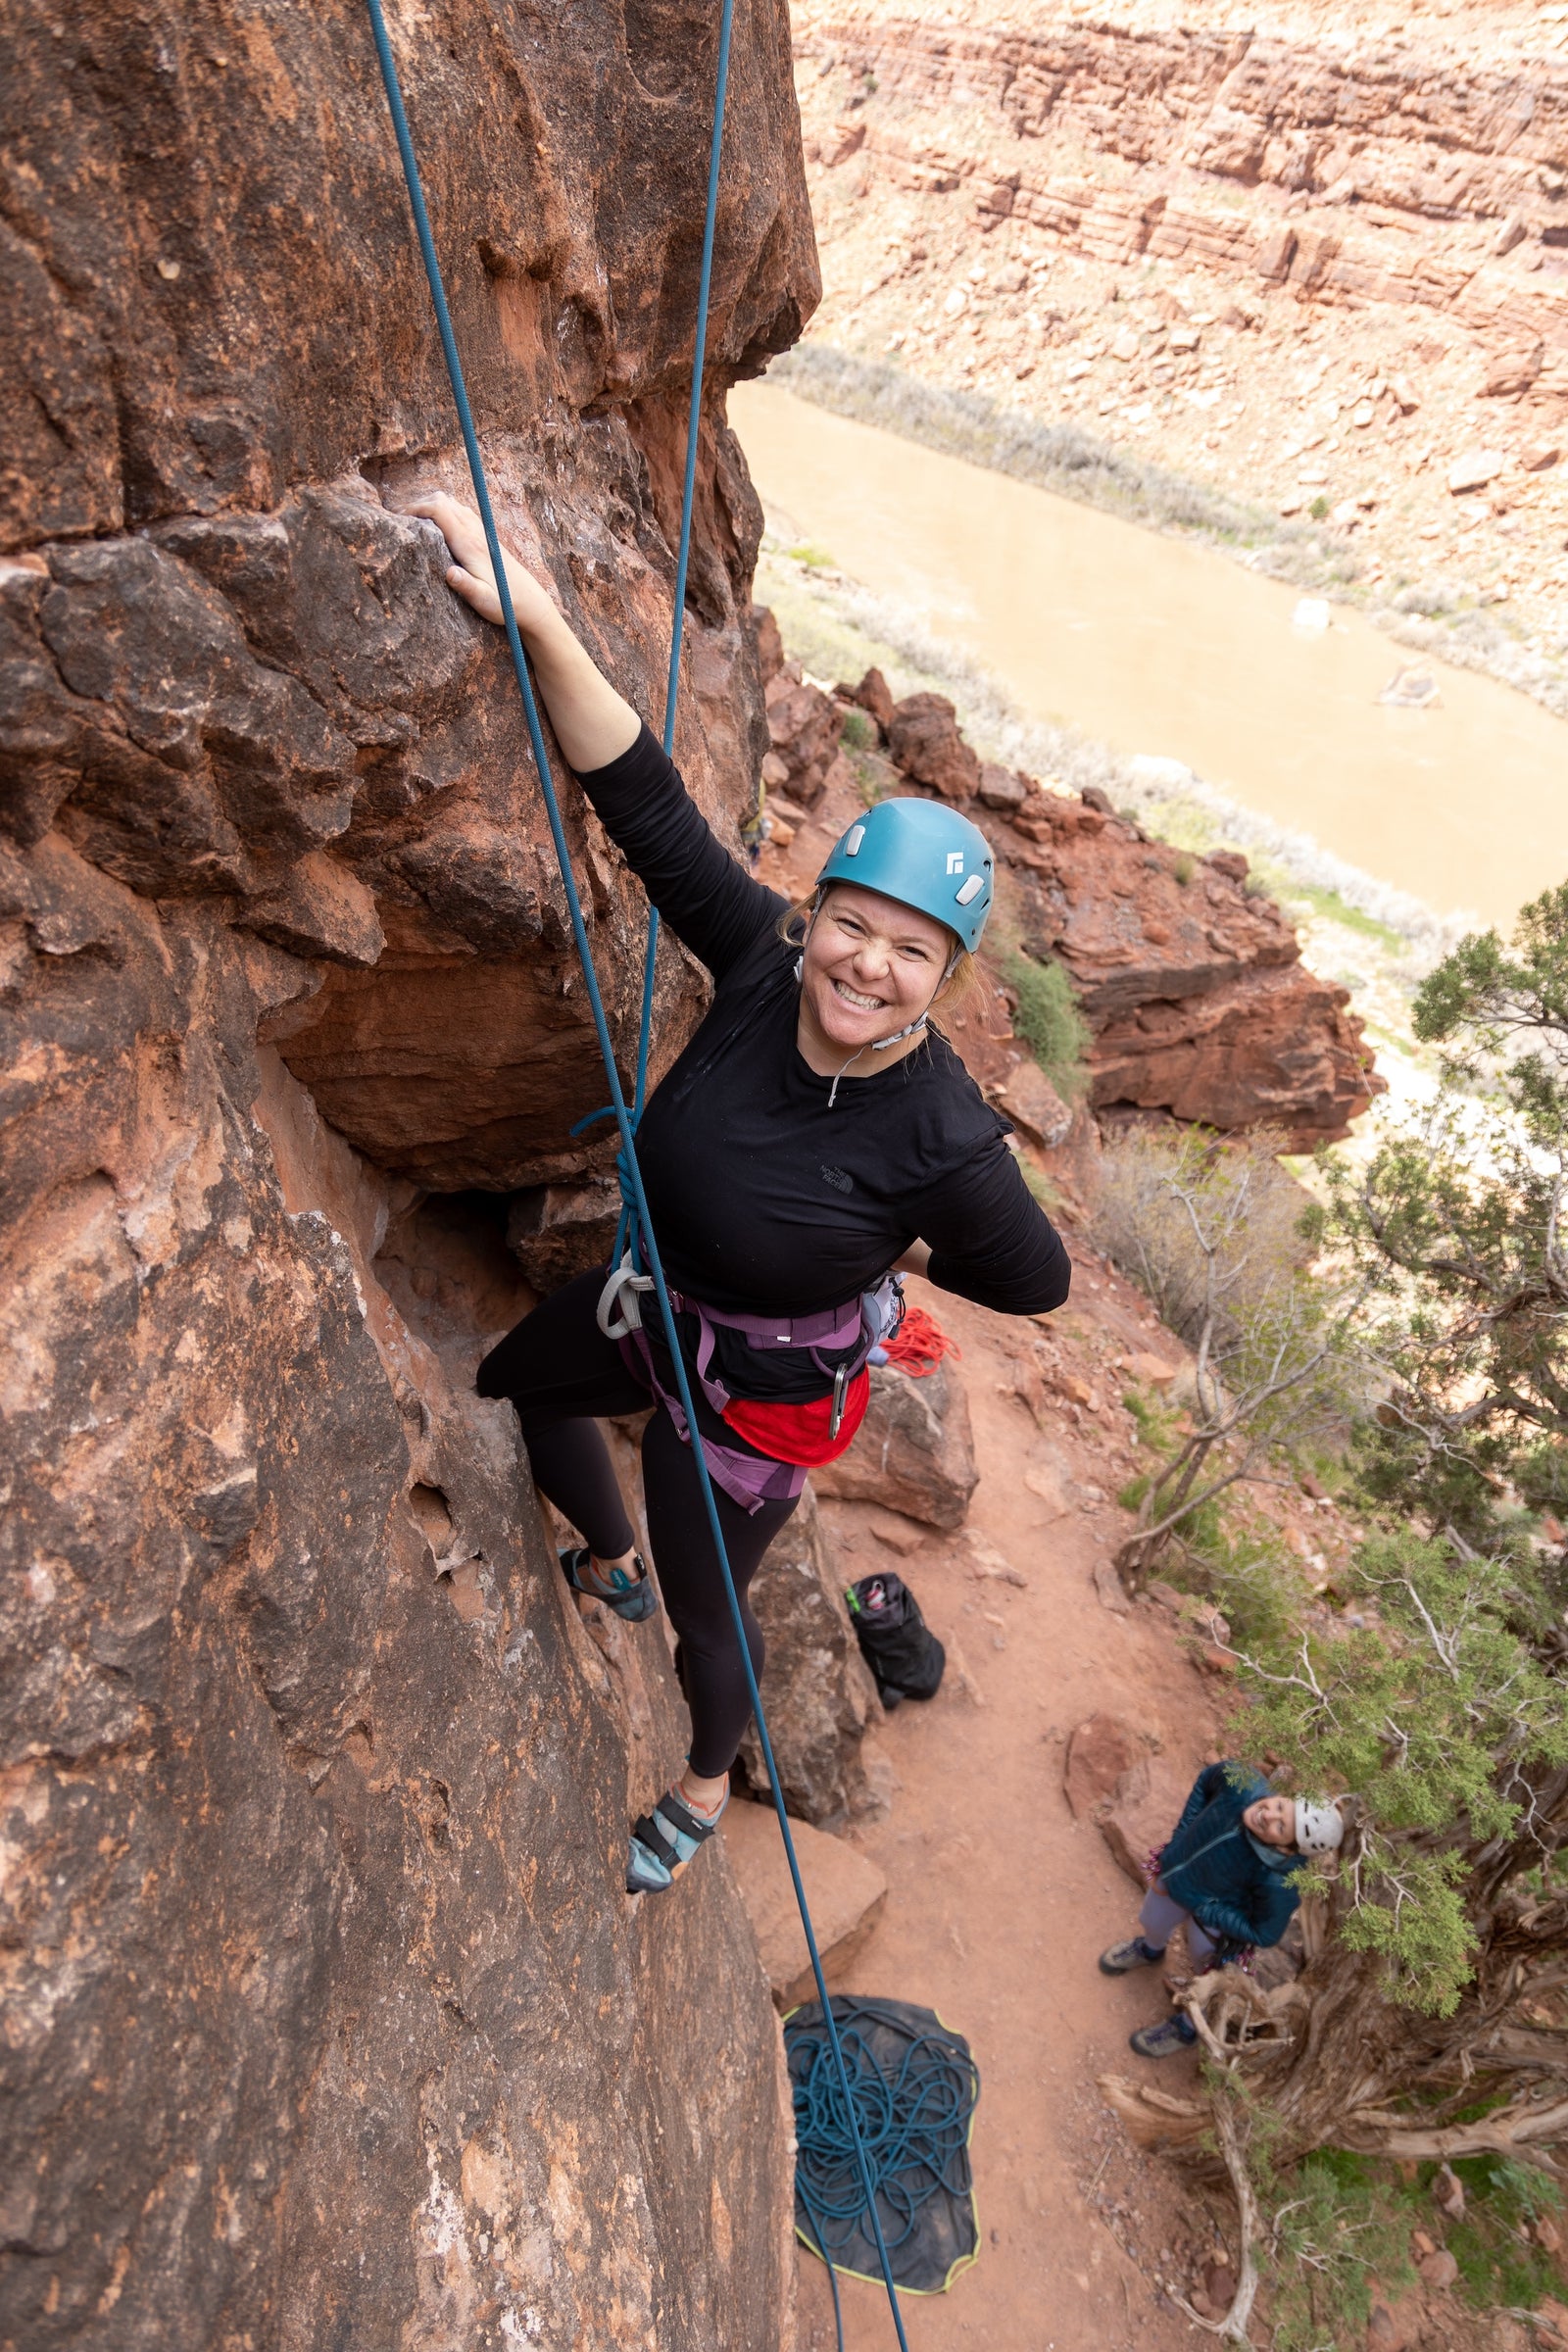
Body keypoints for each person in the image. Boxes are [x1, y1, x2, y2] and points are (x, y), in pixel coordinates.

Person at [412, 494, 1072, 1896]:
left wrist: (877, 1259)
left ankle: (707, 1783)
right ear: (818, 913)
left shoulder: (944, 1133)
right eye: (854, 924)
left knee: (710, 1626)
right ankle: (605, 1552)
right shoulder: (767, 963)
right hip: (654, 1307)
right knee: (524, 1381)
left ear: (945, 977)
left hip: (756, 1400)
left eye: (912, 952)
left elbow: (1034, 1278)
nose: (867, 966)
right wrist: (538, 618)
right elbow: (643, 800)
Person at [1100, 1761, 1345, 2057]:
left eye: (1281, 1827)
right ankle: (1150, 1950)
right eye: (1280, 1806)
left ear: (1286, 1849)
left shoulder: (1278, 1879)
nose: (1268, 1814)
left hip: (1213, 1924)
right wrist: (1182, 1839)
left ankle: (1187, 2027)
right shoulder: (1244, 1785)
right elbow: (1206, 1779)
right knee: (1152, 1919)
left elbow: (1265, 1933)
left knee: (1209, 1976)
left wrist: (1210, 1911)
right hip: (1178, 1878)